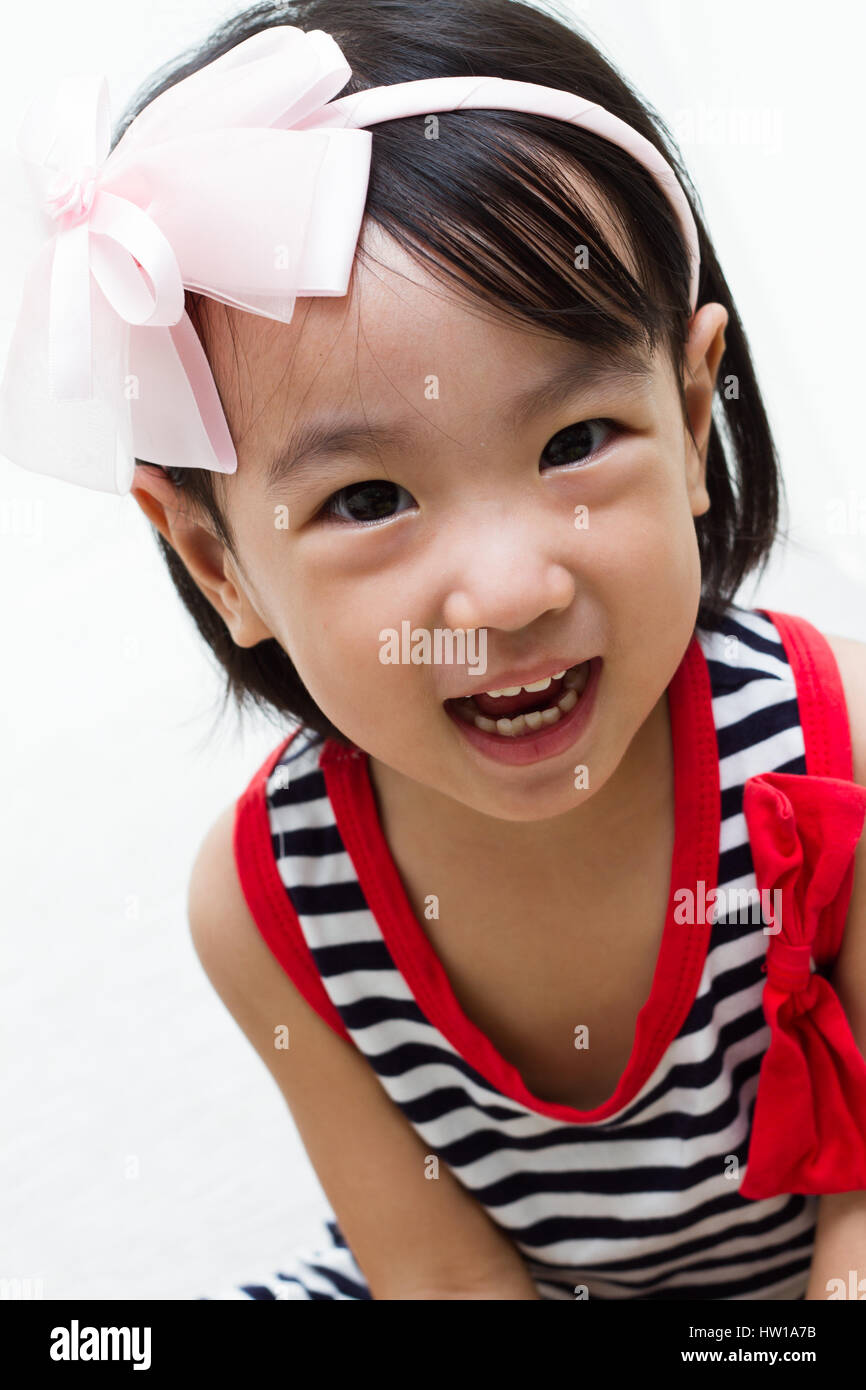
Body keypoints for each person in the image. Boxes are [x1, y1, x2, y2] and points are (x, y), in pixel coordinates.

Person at [4, 0, 866, 1300]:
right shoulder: (266, 902)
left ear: (693, 419)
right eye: (366, 500)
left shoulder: (832, 739)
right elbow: (442, 1279)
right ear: (217, 561)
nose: (511, 590)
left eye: (575, 441)